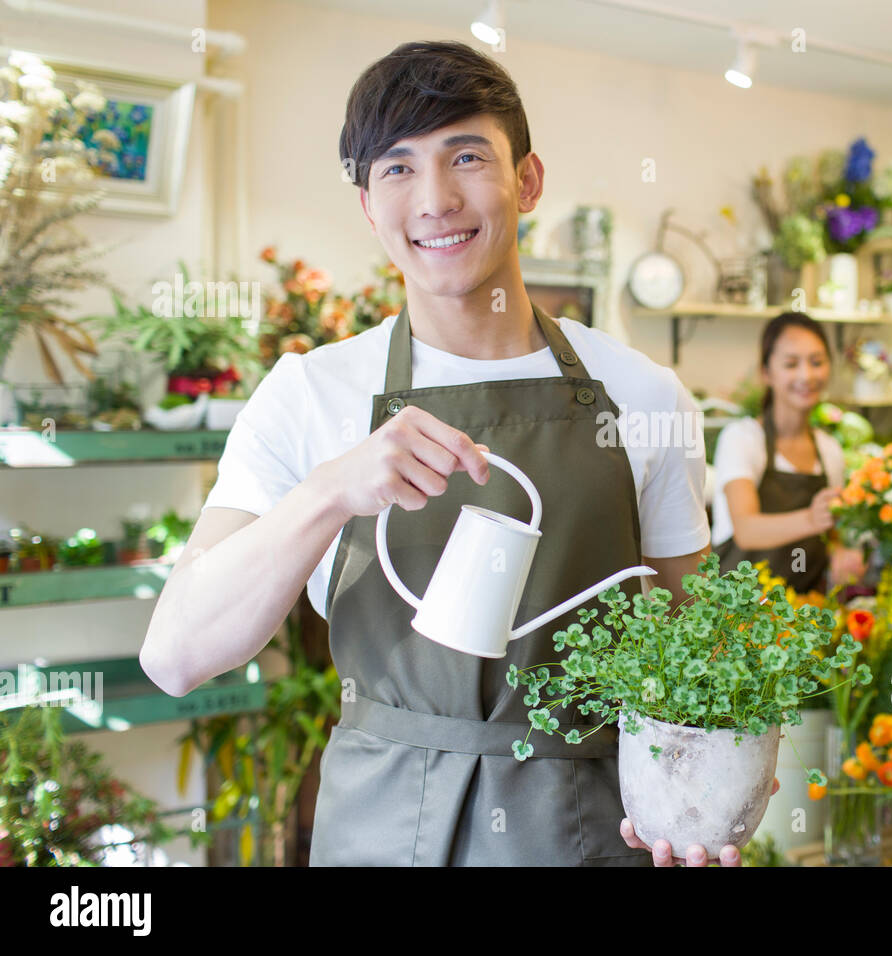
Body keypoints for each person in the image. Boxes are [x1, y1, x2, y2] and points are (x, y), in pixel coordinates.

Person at [138, 40, 762, 866]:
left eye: (466, 156)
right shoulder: (311, 395)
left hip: (588, 830)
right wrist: (331, 491)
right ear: (367, 204)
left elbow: (699, 645)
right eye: (396, 168)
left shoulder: (642, 394)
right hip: (378, 830)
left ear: (527, 180)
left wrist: (718, 785)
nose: (434, 199)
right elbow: (176, 657)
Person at [712, 313, 847, 592]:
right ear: (766, 373)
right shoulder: (743, 438)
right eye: (790, 364)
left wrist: (844, 552)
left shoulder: (830, 451)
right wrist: (811, 519)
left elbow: (831, 534)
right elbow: (746, 529)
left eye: (817, 362)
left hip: (805, 616)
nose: (806, 375)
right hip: (738, 617)